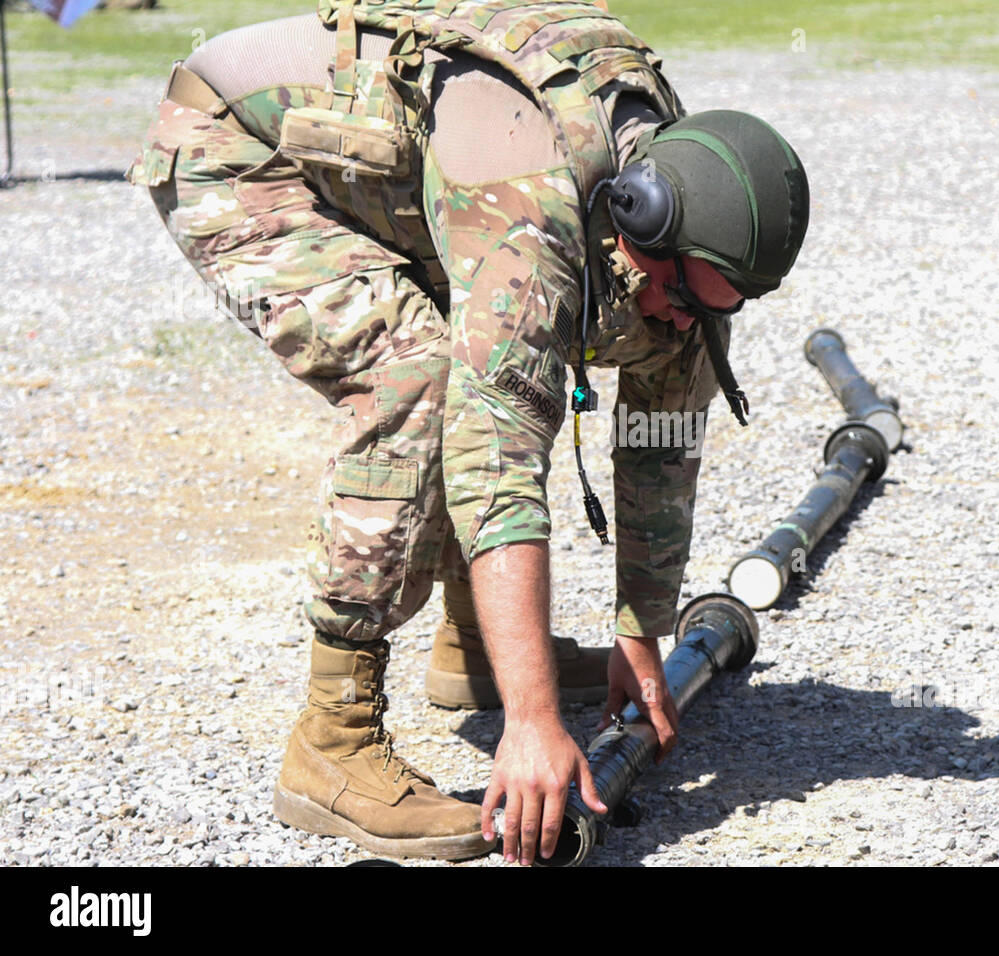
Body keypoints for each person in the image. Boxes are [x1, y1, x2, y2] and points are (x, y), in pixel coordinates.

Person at [127, 0, 809, 865]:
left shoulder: (689, 226)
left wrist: (643, 633)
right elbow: (498, 457)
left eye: (716, 305)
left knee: (531, 349)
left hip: (405, 177)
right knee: (420, 375)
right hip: (239, 149)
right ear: (638, 222)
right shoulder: (538, 212)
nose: (685, 322)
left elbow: (660, 435)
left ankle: (475, 646)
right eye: (682, 298)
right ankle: (330, 745)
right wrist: (531, 720)